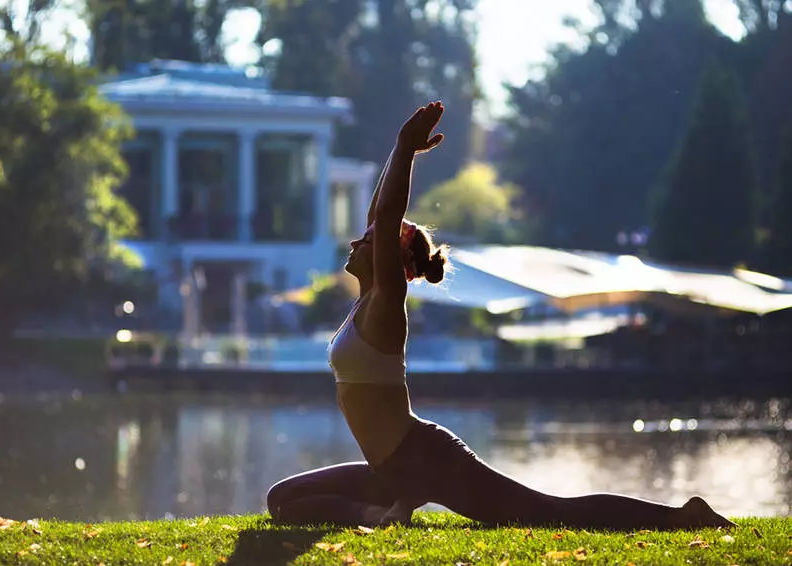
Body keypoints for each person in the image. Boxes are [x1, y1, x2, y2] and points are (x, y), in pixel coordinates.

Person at [266, 101, 735, 531]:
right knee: (283, 500)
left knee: (551, 514)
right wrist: (398, 149)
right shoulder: (366, 297)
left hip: (426, 459)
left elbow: (386, 219)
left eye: (365, 243)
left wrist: (405, 148)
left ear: (390, 260)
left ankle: (685, 516)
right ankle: (382, 513)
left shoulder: (386, 305)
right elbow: (378, 217)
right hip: (388, 470)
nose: (355, 242)